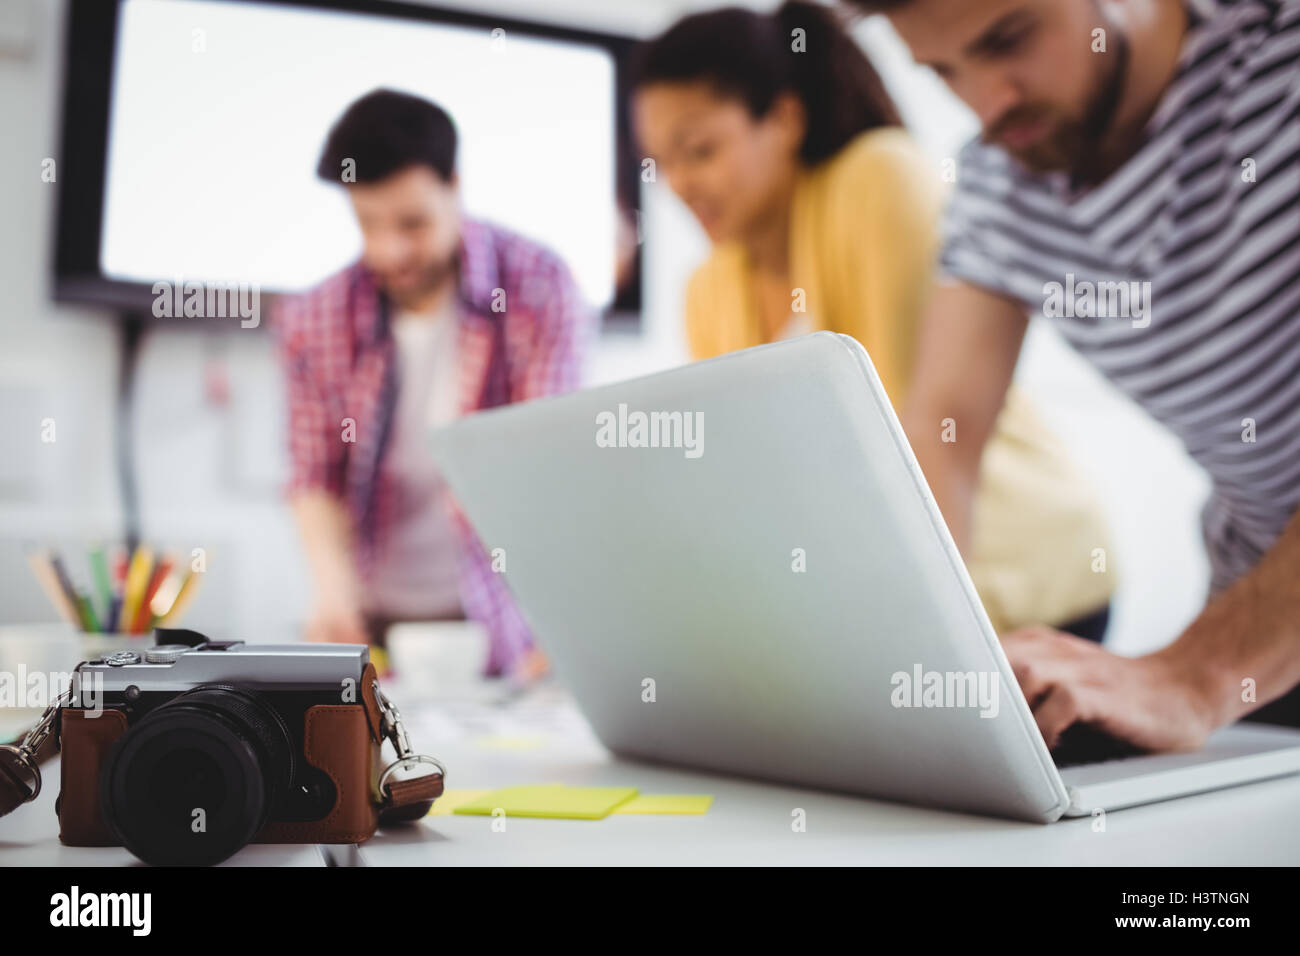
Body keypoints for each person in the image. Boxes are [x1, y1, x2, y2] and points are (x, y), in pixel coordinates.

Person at [844, 0, 1300, 746]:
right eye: (944, 71)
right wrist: (905, 664)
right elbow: (944, 434)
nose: (989, 102)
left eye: (1011, 39)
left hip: (1237, 652)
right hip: (1258, 632)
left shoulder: (1280, 66)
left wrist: (1196, 673)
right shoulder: (996, 192)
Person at [632, 2, 1117, 641]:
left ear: (783, 118)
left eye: (700, 149)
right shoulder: (707, 289)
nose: (681, 183)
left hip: (1018, 583)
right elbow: (753, 479)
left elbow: (913, 449)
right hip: (885, 603)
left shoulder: (876, 179)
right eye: (662, 162)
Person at [273, 89, 592, 681]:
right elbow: (314, 475)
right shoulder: (315, 317)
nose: (389, 250)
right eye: (368, 223)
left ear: (455, 184)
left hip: (506, 620)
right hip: (378, 621)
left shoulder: (538, 287)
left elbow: (550, 468)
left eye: (412, 223)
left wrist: (564, 618)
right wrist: (334, 596)